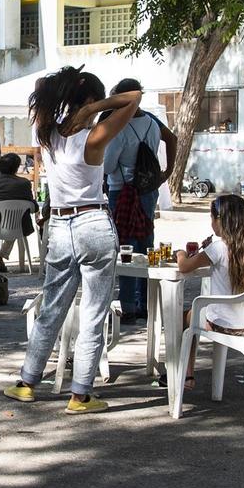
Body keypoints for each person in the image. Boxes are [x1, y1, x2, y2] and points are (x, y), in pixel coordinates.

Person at [4, 69, 139, 413]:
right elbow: (135, 96)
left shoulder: (47, 130)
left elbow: (39, 89)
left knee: (51, 309)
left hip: (61, 226)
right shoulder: (94, 136)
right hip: (93, 221)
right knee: (94, 313)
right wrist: (92, 109)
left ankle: (27, 383)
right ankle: (81, 395)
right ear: (91, 102)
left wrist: (67, 94)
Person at [102, 77, 176, 319]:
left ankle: (129, 306)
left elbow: (109, 165)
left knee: (126, 249)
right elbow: (171, 139)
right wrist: (168, 172)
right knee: (146, 245)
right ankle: (147, 304)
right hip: (148, 190)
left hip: (121, 192)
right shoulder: (152, 124)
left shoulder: (119, 129)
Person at [174, 193, 244, 375]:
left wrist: (180, 252)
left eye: (212, 218)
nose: (211, 223)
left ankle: (186, 374)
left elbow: (184, 266)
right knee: (194, 314)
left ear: (221, 220)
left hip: (221, 324)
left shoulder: (218, 248)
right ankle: (187, 374)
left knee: (182, 317)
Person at [0, 153, 37, 266]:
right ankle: (0, 256)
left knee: (5, 220)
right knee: (15, 221)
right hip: (17, 227)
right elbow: (34, 208)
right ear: (16, 168)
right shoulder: (25, 183)